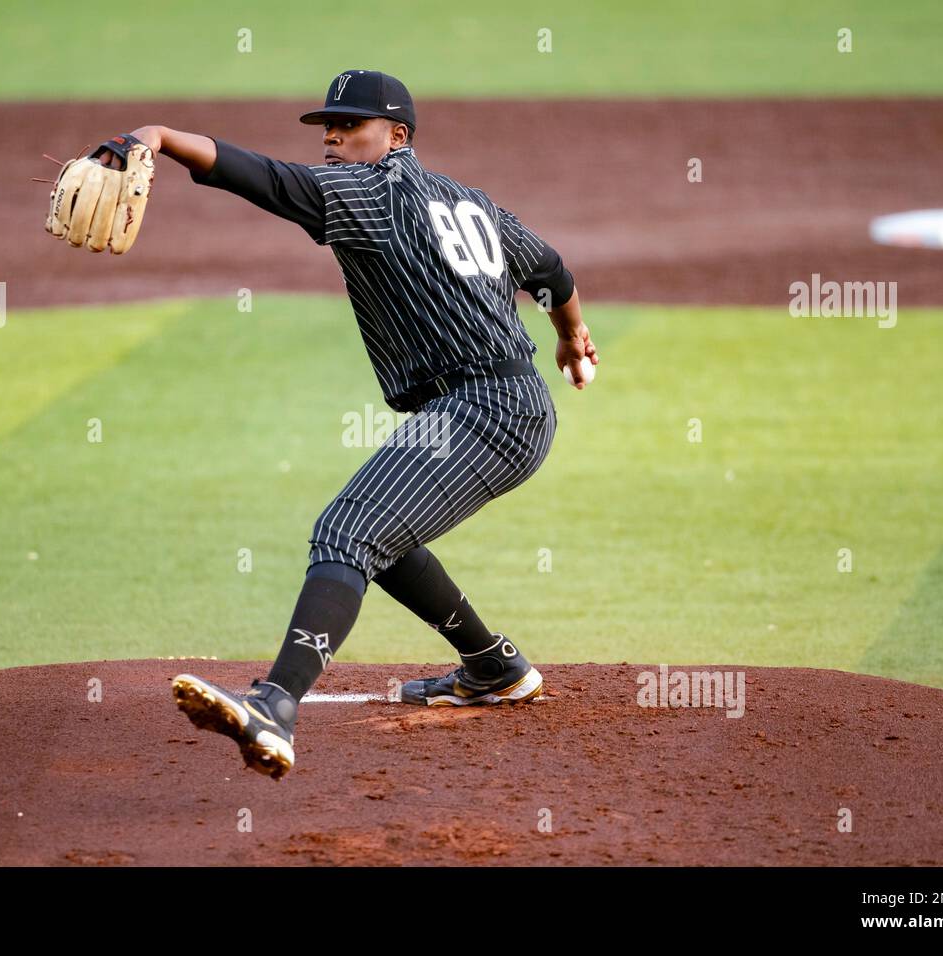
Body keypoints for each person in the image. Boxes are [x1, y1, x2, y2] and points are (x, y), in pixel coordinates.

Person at [122, 70, 597, 779]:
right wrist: (572, 334)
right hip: (502, 403)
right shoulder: (469, 202)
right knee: (382, 532)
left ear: (397, 136)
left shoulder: (369, 194)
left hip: (484, 409)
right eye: (327, 128)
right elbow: (551, 269)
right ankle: (493, 668)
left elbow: (264, 178)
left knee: (346, 531)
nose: (334, 138)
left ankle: (275, 705)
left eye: (350, 126)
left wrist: (158, 138)